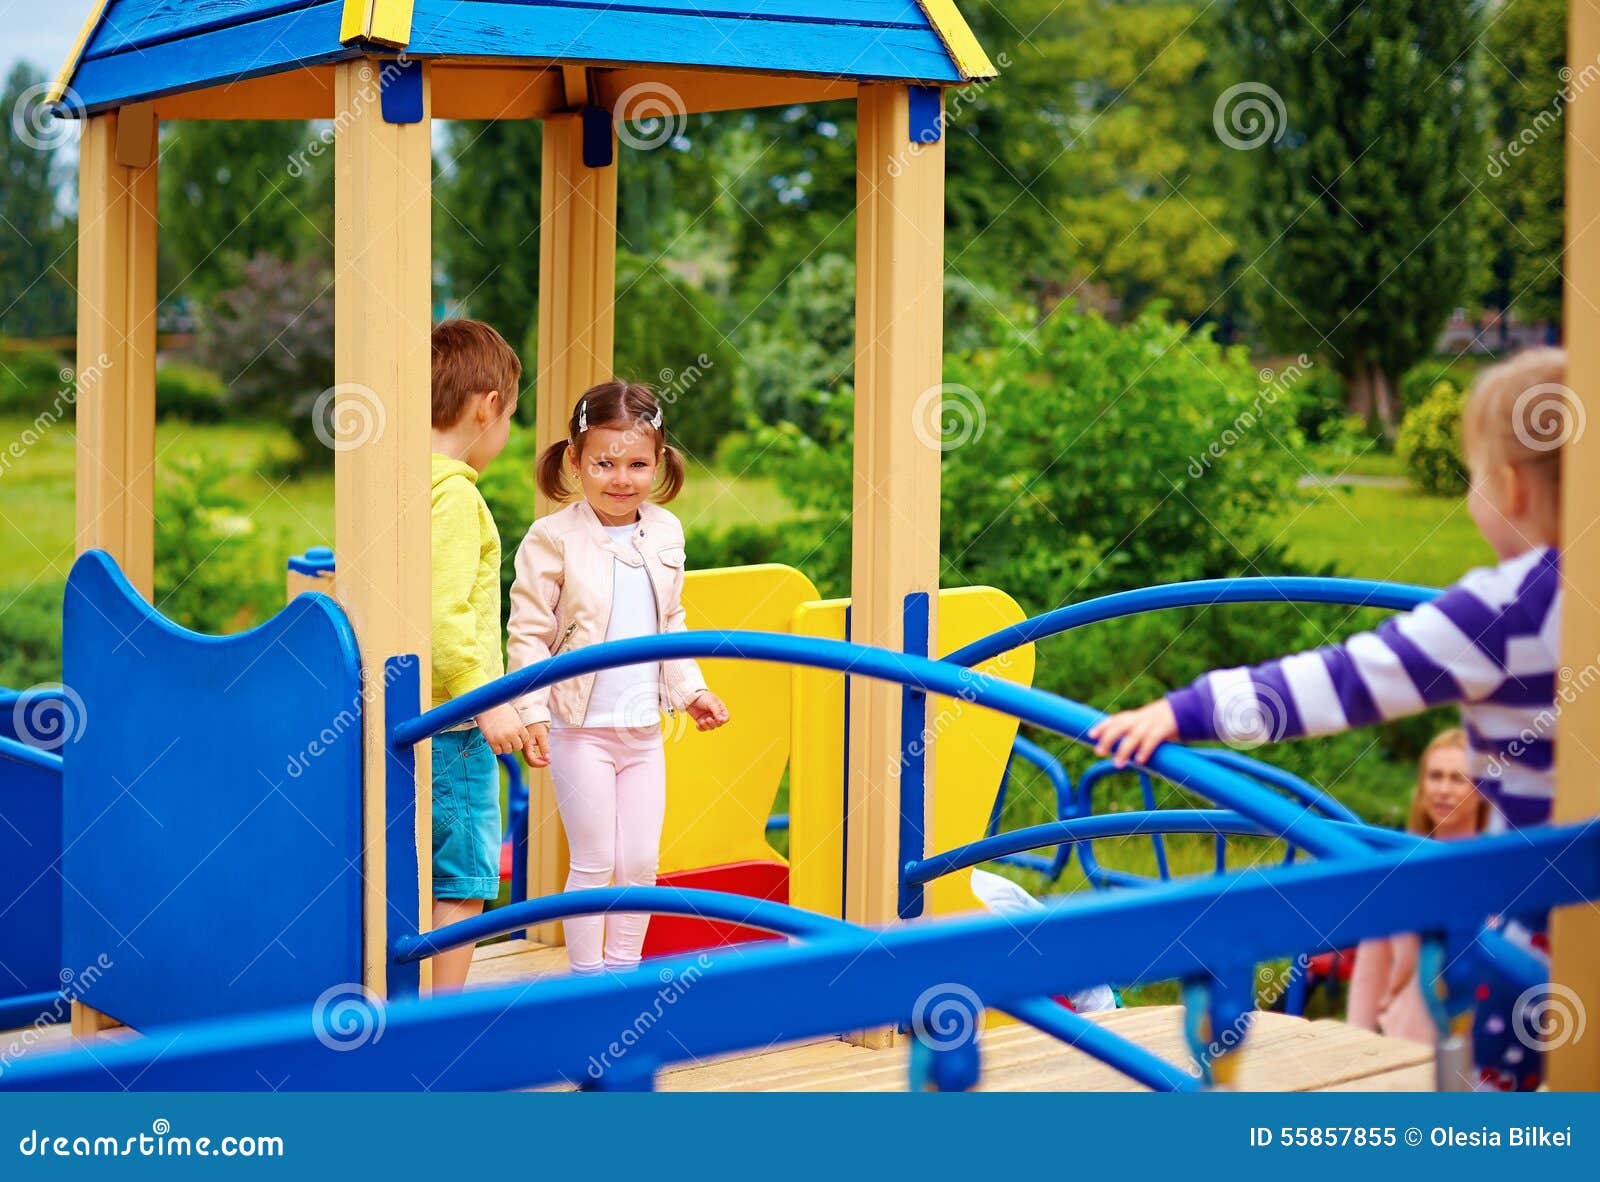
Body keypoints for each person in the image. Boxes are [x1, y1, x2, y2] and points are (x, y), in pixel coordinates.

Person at [1088, 348, 1567, 1089]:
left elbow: (1342, 681)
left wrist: (1186, 710)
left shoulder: (1512, 610)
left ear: (1508, 487)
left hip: (1539, 931)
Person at [507, 381, 731, 975]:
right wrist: (531, 713)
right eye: (604, 463)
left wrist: (692, 690)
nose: (621, 478)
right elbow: (528, 633)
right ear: (575, 461)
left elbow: (670, 624)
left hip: (642, 728)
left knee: (639, 861)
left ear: (660, 464)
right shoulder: (552, 538)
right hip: (579, 728)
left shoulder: (664, 531)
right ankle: (587, 982)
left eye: (637, 463)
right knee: (595, 857)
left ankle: (623, 974)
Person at [427, 319, 526, 992]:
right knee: (463, 870)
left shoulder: (396, 485)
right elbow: (442, 615)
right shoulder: (455, 494)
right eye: (512, 416)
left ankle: (399, 1001)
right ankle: (439, 1013)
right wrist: (485, 701)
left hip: (398, 713)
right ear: (487, 405)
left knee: (408, 865)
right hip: (454, 724)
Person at [1344, 728, 1486, 1043]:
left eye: (1458, 779)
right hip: (1406, 1041)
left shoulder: (1501, 866)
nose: (1443, 790)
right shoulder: (1402, 866)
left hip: (1482, 1049)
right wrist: (1355, 1046)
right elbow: (1371, 971)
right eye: (1435, 777)